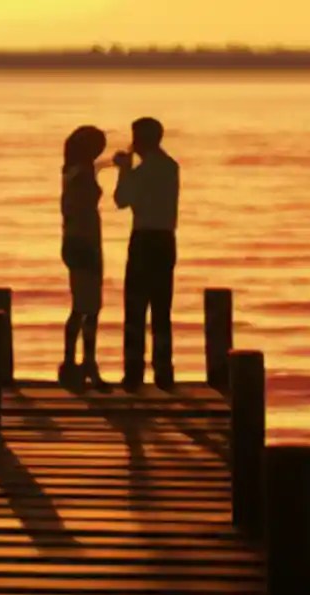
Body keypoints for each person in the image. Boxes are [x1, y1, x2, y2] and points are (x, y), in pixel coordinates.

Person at [112, 116, 180, 392]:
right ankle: (163, 371)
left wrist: (124, 170)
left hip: (144, 238)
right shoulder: (170, 166)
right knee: (162, 308)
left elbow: (121, 199)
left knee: (136, 307)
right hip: (165, 239)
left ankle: (134, 371)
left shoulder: (143, 171)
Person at [59, 125, 112, 391]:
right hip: (85, 241)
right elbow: (81, 202)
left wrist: (110, 163)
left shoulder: (71, 170)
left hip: (77, 239)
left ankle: (76, 362)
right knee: (87, 307)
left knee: (84, 305)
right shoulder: (82, 173)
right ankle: (82, 364)